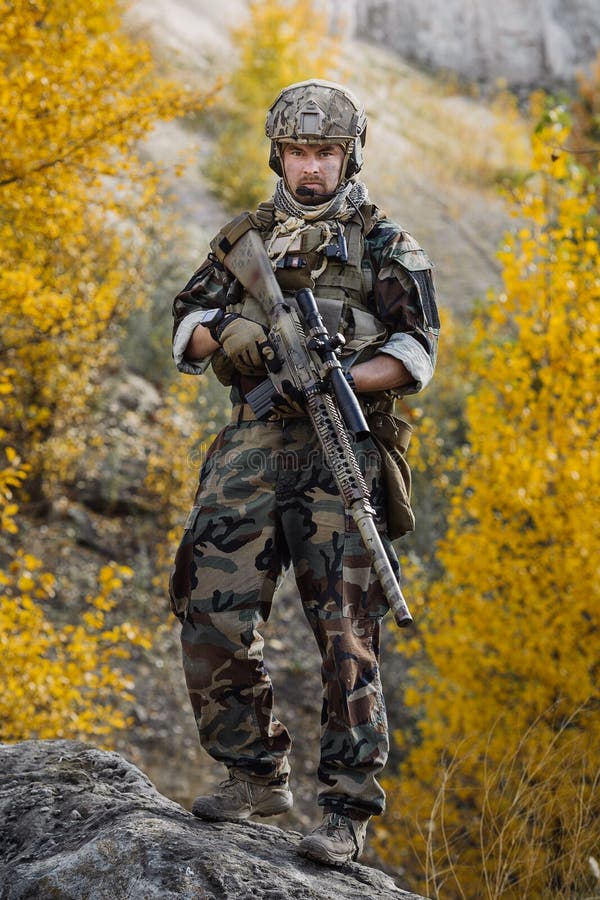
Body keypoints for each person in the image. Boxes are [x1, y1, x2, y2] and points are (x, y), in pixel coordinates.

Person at [169, 79, 439, 866]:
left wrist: (342, 376)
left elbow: (416, 352)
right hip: (253, 446)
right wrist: (233, 335)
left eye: (324, 152)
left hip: (340, 451)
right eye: (297, 151)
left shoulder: (388, 243)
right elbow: (184, 326)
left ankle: (348, 810)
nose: (310, 168)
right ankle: (253, 774)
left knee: (347, 633)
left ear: (349, 155)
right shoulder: (244, 235)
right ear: (277, 153)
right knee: (209, 605)